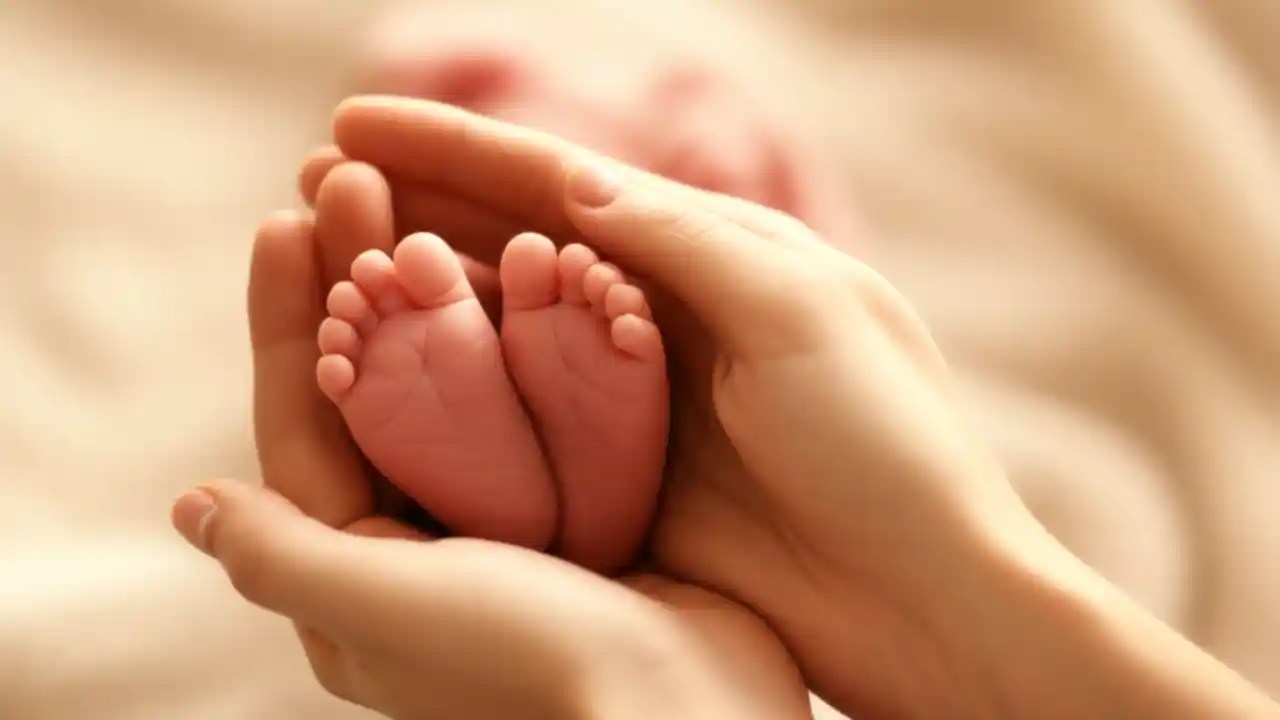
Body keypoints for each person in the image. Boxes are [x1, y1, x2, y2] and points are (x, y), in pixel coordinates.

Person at [172, 97, 1280, 719]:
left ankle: (531, 477)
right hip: (607, 306)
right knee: (573, 294)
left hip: (616, 299)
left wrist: (650, 691)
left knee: (554, 291)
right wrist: (965, 591)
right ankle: (563, 455)